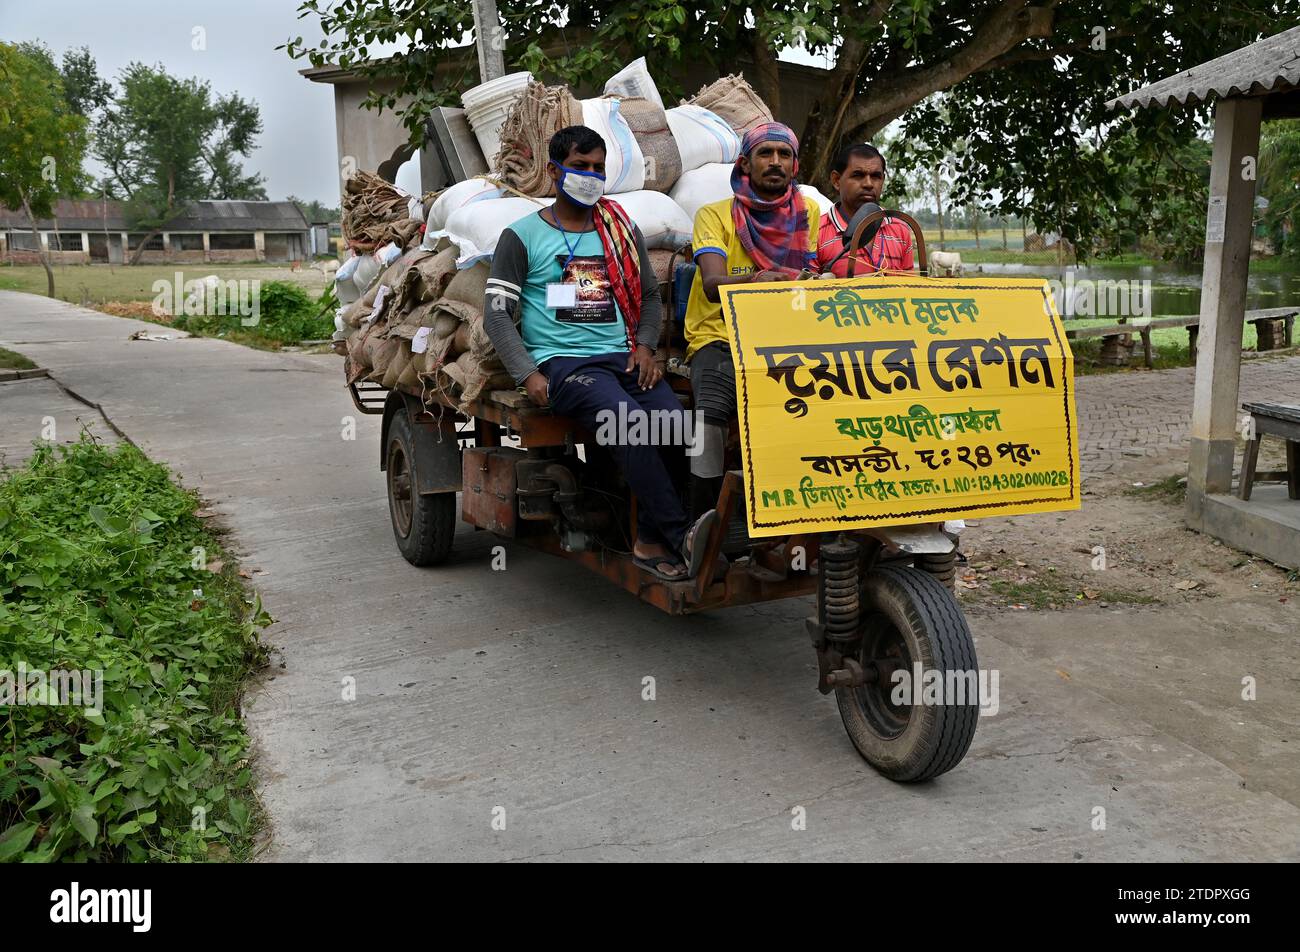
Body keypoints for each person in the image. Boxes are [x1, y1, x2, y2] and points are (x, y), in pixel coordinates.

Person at [483, 125, 716, 580]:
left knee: (672, 422)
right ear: (554, 171)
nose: (590, 175)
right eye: (579, 166)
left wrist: (647, 347)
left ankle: (649, 541)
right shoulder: (522, 236)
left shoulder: (619, 229)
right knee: (630, 426)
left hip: (623, 358)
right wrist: (529, 375)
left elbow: (650, 296)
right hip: (565, 366)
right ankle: (683, 534)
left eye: (597, 168)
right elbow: (496, 315)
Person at [682, 121, 819, 515]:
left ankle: (795, 513)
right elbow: (711, 284)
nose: (775, 162)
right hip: (720, 335)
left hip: (787, 335)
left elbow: (812, 271)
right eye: (765, 153)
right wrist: (755, 280)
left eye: (784, 155)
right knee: (710, 414)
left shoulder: (808, 211)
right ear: (745, 163)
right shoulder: (714, 215)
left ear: (795, 166)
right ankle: (701, 521)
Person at [816, 142, 914, 277]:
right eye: (858, 175)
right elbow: (806, 291)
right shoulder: (816, 233)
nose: (868, 184)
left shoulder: (900, 230)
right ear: (836, 180)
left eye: (875, 176)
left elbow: (910, 289)